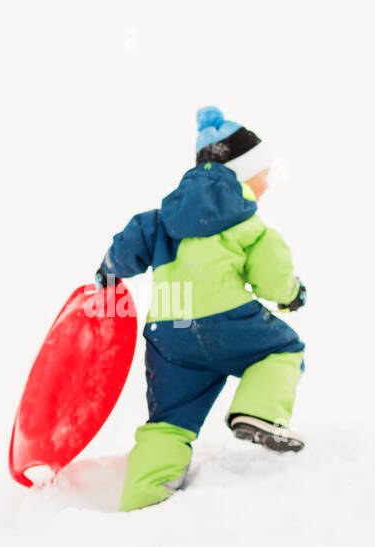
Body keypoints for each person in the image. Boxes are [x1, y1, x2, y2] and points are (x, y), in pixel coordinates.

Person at [95, 106, 309, 512]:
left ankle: (144, 496)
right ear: (242, 174)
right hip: (226, 318)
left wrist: (108, 273)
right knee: (282, 349)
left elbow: (125, 248)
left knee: (169, 418)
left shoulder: (161, 219)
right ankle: (257, 413)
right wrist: (291, 294)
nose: (267, 184)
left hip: (170, 332)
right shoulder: (247, 223)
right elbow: (272, 273)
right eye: (264, 173)